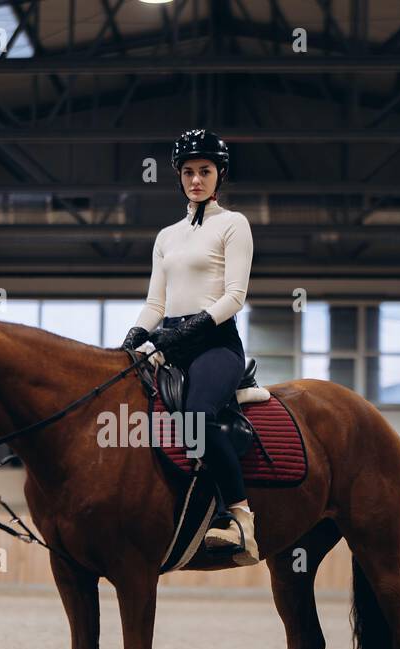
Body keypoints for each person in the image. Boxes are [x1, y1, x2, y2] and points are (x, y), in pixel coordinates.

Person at [118, 128, 258, 566]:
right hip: (169, 341)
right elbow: (155, 304)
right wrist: (131, 340)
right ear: (179, 178)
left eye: (205, 171)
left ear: (220, 176)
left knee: (197, 413)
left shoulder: (233, 225)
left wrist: (188, 330)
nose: (196, 179)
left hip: (215, 344)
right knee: (120, 408)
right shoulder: (166, 236)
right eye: (189, 172)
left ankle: (238, 516)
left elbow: (235, 296)